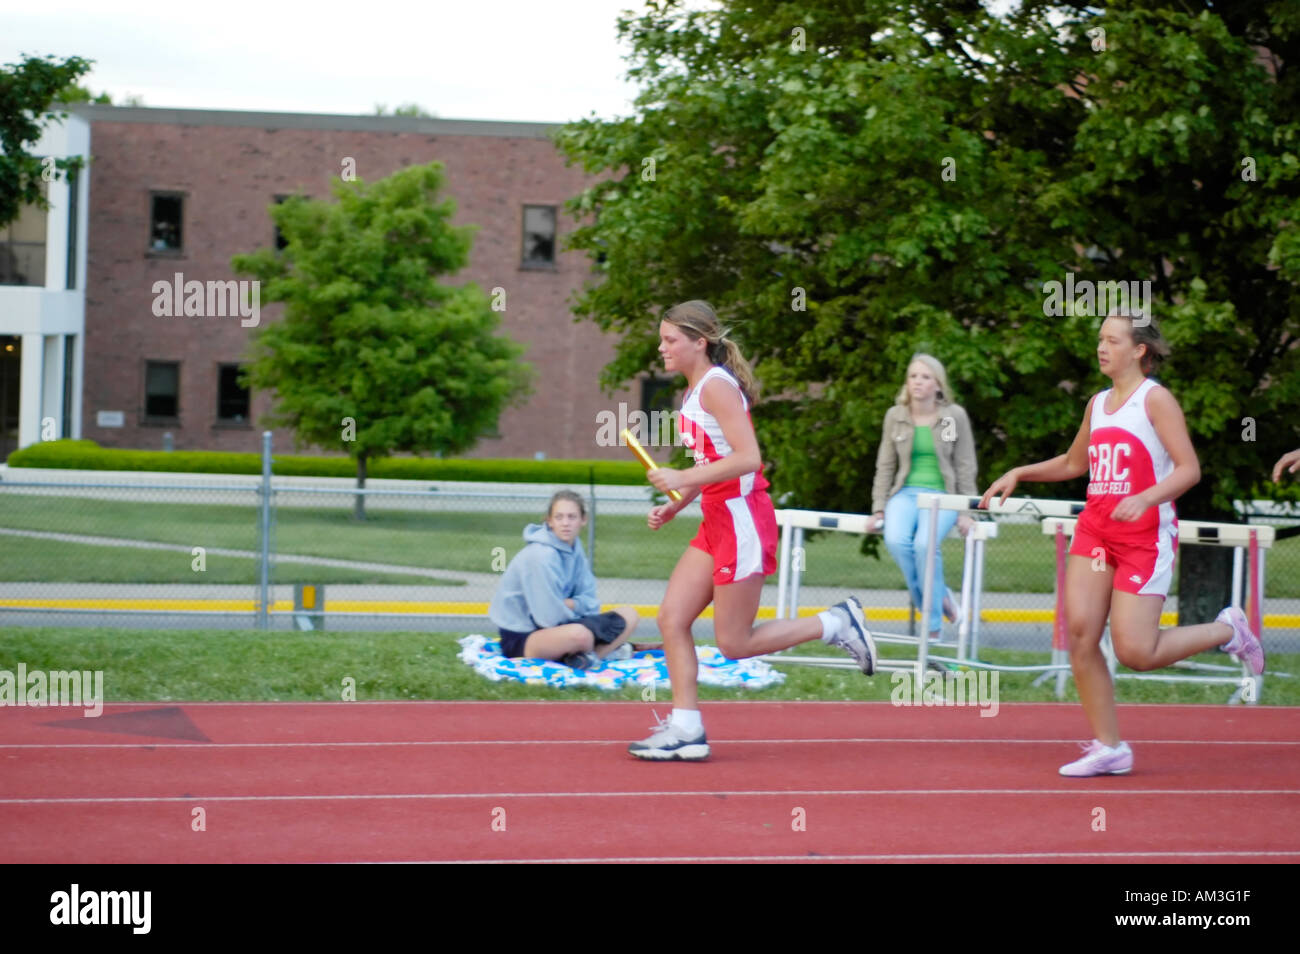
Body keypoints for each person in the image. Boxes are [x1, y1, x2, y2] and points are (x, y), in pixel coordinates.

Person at [980, 314, 1265, 777]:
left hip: (1145, 537)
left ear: (1139, 351)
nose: (1101, 347)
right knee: (1081, 634)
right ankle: (1109, 747)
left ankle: (1227, 631)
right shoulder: (1098, 403)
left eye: (1112, 340)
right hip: (1096, 531)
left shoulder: (1156, 401)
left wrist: (1146, 497)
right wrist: (1020, 472)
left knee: (1136, 653)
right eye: (1100, 340)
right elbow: (1075, 462)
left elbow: (1188, 469)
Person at [629, 300, 877, 761]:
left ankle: (836, 622)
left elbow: (748, 458)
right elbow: (711, 464)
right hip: (716, 519)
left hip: (742, 519)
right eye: (662, 339)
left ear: (698, 343)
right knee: (671, 619)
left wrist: (681, 480)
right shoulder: (692, 392)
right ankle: (686, 729)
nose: (661, 348)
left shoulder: (717, 388)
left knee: (734, 643)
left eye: (670, 340)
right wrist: (676, 503)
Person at [871, 354, 979, 642]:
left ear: (938, 384)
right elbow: (885, 465)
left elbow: (964, 464)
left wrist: (967, 510)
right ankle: (941, 599)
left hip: (943, 496)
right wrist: (879, 508)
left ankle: (931, 626)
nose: (918, 382)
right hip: (904, 494)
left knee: (924, 545)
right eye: (914, 376)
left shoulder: (952, 417)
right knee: (896, 540)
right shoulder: (896, 416)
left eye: (925, 377)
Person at [488, 490, 638, 669]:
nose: (565, 523)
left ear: (583, 520)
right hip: (523, 636)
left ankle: (588, 658)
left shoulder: (575, 547)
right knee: (580, 635)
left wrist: (571, 604)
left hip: (562, 624)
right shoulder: (541, 556)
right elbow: (548, 618)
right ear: (549, 521)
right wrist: (576, 611)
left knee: (630, 615)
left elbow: (590, 599)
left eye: (572, 517)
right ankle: (591, 654)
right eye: (559, 517)